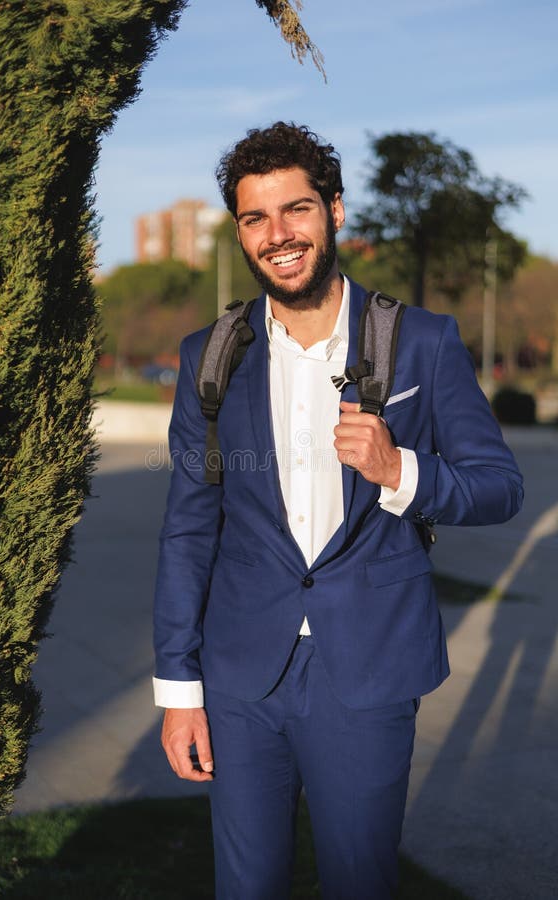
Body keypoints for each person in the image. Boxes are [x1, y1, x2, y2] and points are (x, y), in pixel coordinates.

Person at [152, 122, 523, 900]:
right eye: (256, 218)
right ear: (241, 232)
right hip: (241, 675)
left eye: (297, 210)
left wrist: (400, 471)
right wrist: (180, 692)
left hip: (369, 668)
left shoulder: (420, 342)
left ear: (336, 212)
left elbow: (498, 485)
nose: (278, 235)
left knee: (360, 882)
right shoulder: (209, 357)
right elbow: (190, 526)